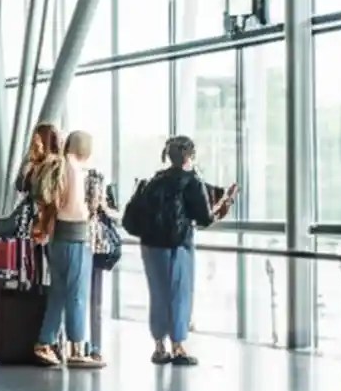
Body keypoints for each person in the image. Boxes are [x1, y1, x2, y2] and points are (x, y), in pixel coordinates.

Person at [132, 135, 236, 366]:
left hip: (150, 245)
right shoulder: (191, 181)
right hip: (178, 245)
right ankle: (177, 346)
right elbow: (204, 218)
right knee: (179, 294)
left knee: (158, 293)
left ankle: (159, 346)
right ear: (189, 156)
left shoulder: (154, 181)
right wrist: (222, 204)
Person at [31, 130, 102, 368]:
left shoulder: (56, 165)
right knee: (77, 295)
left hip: (56, 239)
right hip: (75, 238)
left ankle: (45, 341)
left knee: (59, 293)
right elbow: (76, 209)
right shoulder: (74, 170)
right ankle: (76, 348)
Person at [86, 170, 119, 363]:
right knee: (93, 303)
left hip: (93, 252)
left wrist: (103, 207)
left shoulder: (100, 215)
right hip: (92, 252)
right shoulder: (95, 214)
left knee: (90, 302)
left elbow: (115, 215)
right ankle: (93, 347)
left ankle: (91, 346)